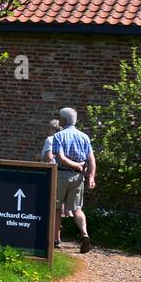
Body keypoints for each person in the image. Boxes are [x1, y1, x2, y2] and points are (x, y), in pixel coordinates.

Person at [49, 106, 96, 252]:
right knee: (77, 208)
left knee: (56, 208)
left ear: (63, 119)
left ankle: (56, 240)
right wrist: (91, 176)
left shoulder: (59, 136)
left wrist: (76, 165)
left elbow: (61, 158)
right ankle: (84, 234)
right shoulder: (84, 136)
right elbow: (91, 159)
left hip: (62, 175)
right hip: (78, 177)